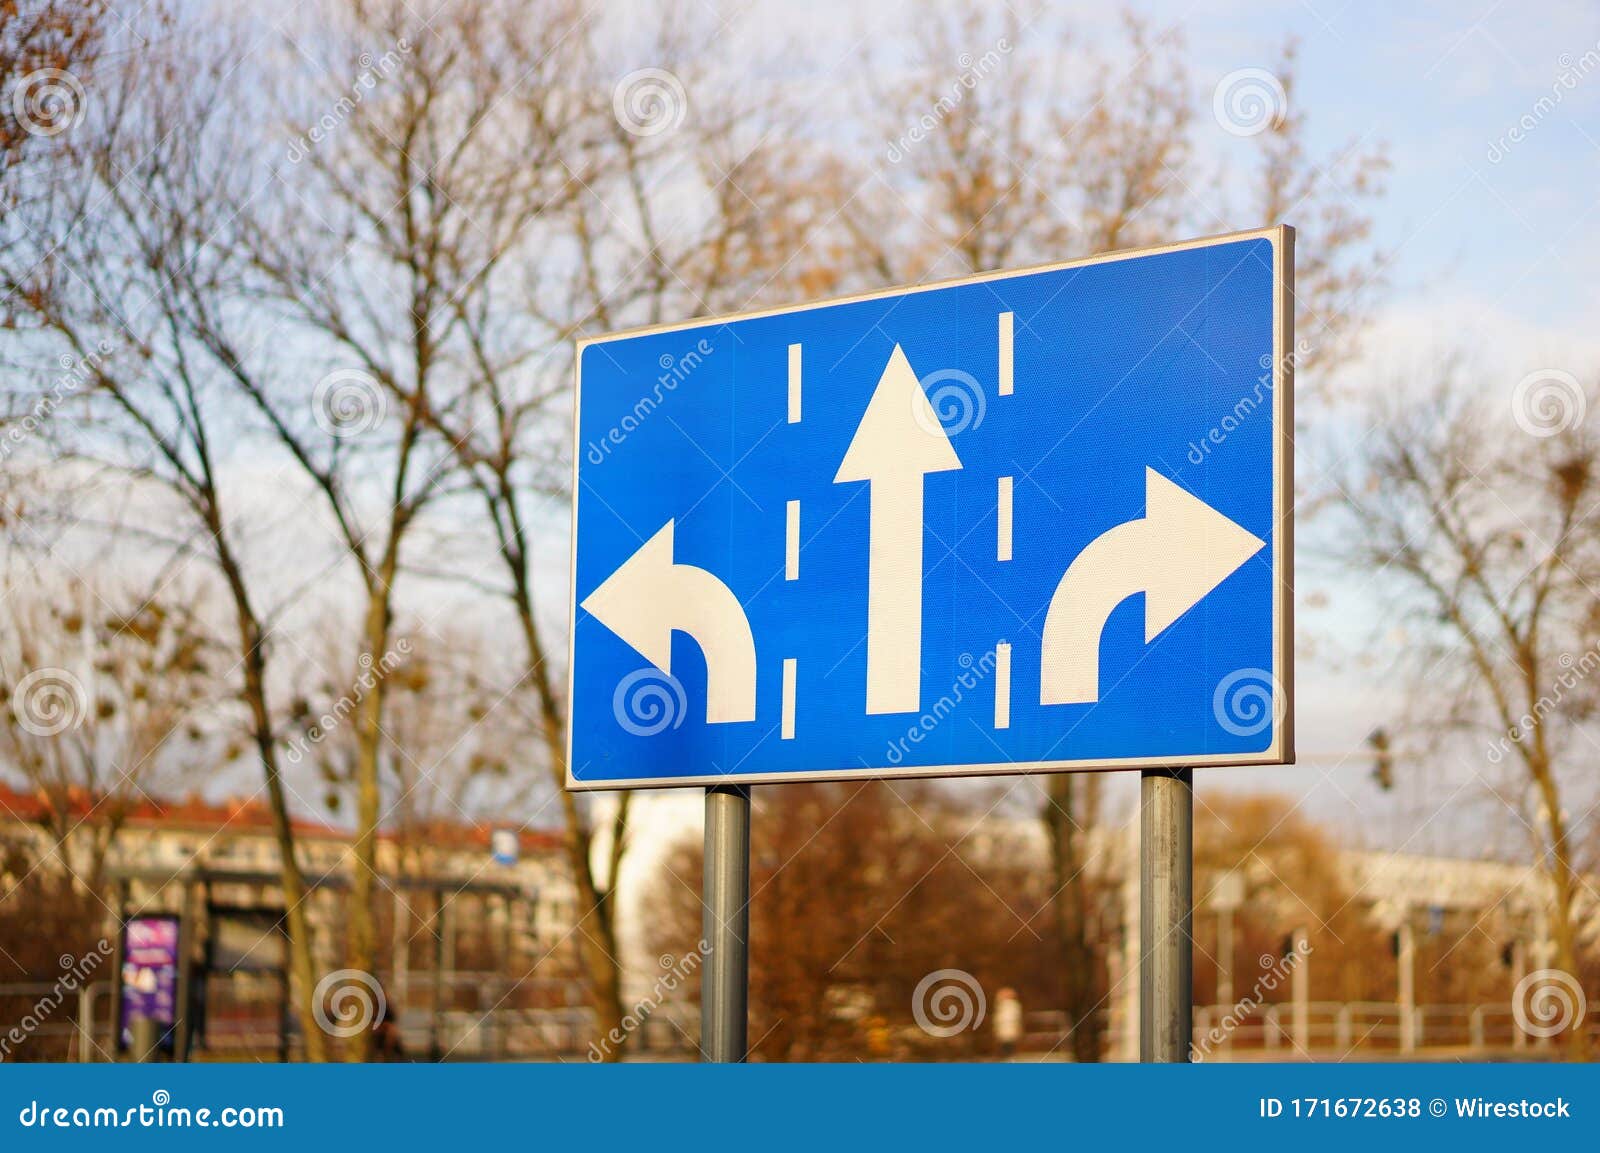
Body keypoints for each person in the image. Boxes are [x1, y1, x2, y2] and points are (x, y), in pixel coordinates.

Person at [994, 987, 1023, 1059]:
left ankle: (1009, 1058)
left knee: (1009, 1046)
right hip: (1005, 1030)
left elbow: (1015, 1018)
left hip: (1009, 1030)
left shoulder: (1012, 1005)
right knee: (1006, 1046)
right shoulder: (1002, 1006)